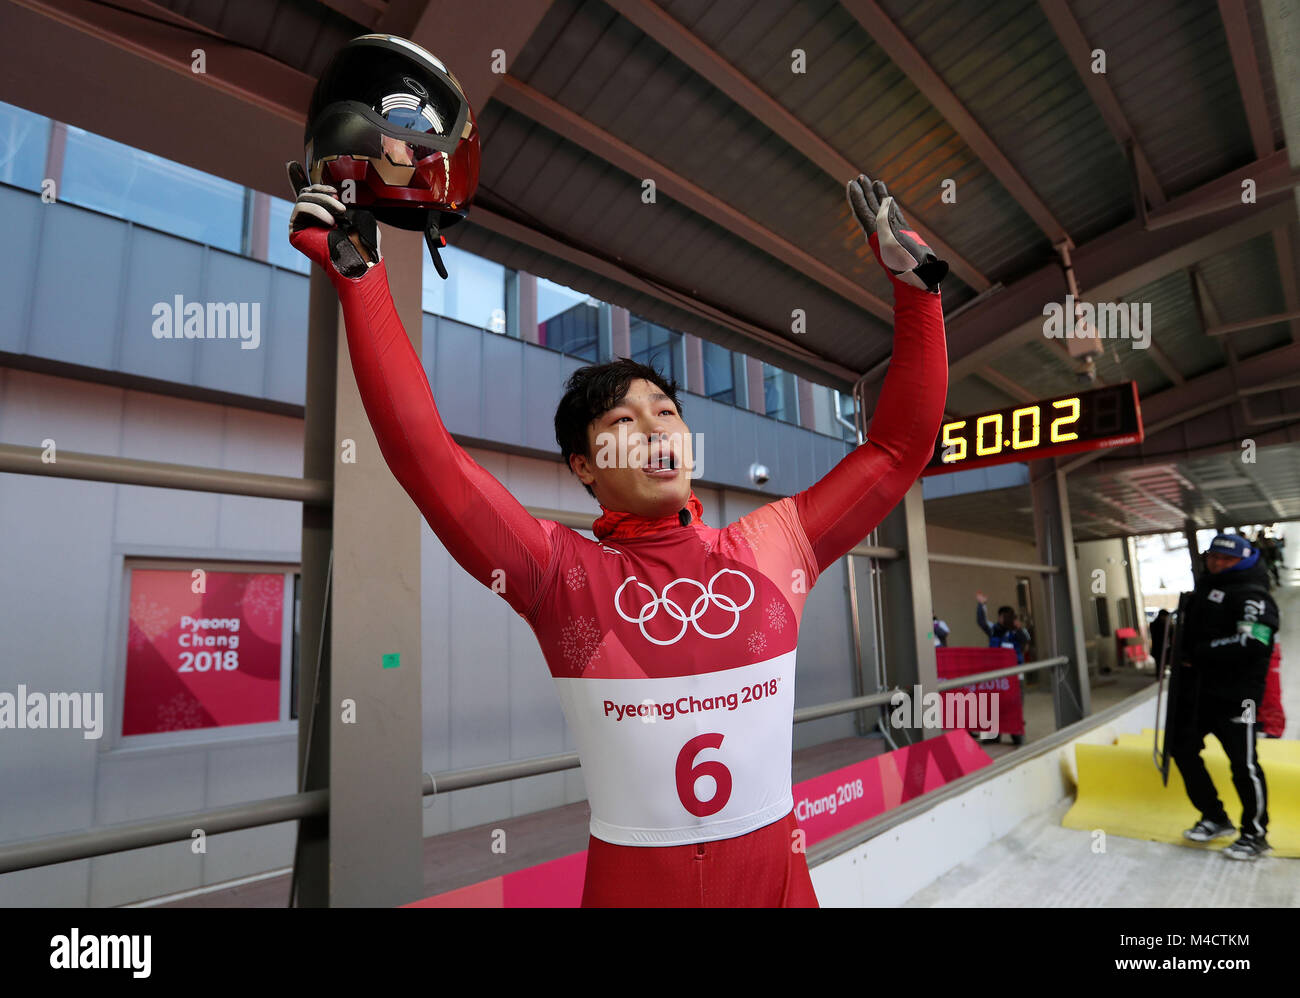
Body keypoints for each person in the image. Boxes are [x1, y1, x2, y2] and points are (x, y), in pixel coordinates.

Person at [288, 44, 951, 908]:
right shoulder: (560, 576)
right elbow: (426, 460)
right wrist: (362, 283)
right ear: (584, 471)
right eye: (623, 423)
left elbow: (898, 450)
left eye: (667, 414)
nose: (655, 432)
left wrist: (919, 294)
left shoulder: (775, 545)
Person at [1171, 533, 1279, 860]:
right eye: (1213, 556)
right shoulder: (1203, 590)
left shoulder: (1253, 595)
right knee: (1181, 749)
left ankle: (1255, 833)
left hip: (1239, 698)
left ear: (1244, 560)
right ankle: (1215, 817)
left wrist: (1200, 653)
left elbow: (1253, 642)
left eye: (1227, 559)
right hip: (1200, 694)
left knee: (1243, 764)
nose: (1217, 563)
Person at [975, 593, 1029, 663]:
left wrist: (1019, 629)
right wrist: (982, 604)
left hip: (1015, 666)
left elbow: (1027, 641)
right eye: (1003, 616)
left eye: (1008, 616)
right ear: (999, 618)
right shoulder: (994, 629)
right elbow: (982, 621)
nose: (1006, 619)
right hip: (997, 665)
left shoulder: (1017, 629)